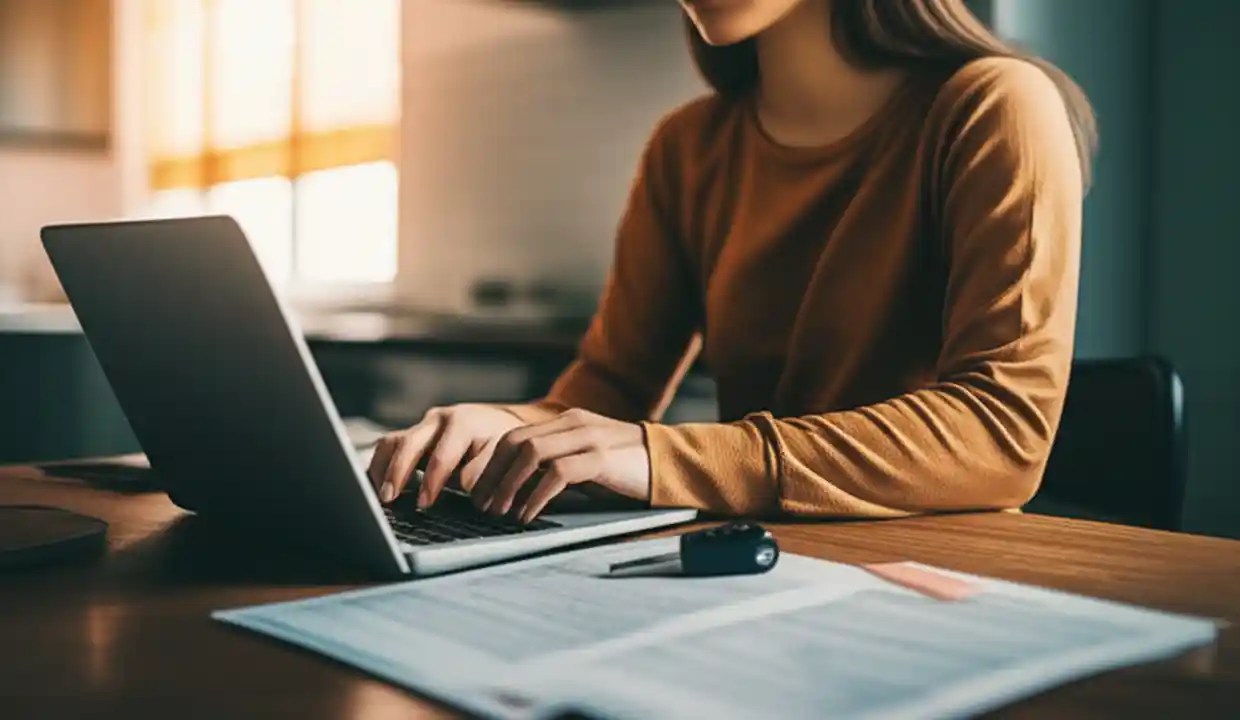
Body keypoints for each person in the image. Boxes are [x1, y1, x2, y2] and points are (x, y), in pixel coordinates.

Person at [369, 0, 1093, 525]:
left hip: (940, 576)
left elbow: (1002, 437)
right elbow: (610, 393)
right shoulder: (689, 147)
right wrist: (500, 429)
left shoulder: (996, 107)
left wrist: (667, 459)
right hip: (757, 566)